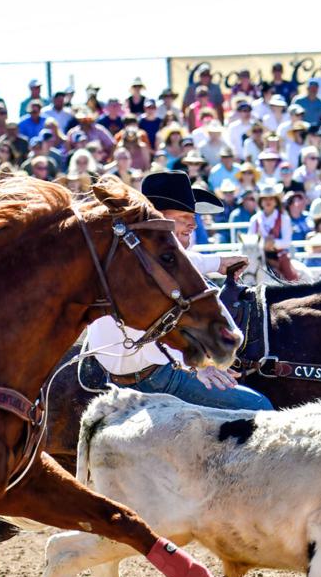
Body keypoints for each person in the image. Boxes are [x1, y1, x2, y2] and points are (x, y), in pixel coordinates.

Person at [87, 171, 270, 409]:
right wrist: (196, 367)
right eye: (184, 216)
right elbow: (156, 330)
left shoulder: (133, 254)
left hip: (141, 368)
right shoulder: (147, 266)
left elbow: (180, 260)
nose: (193, 223)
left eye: (193, 216)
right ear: (159, 219)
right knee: (259, 407)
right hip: (152, 375)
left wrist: (218, 262)